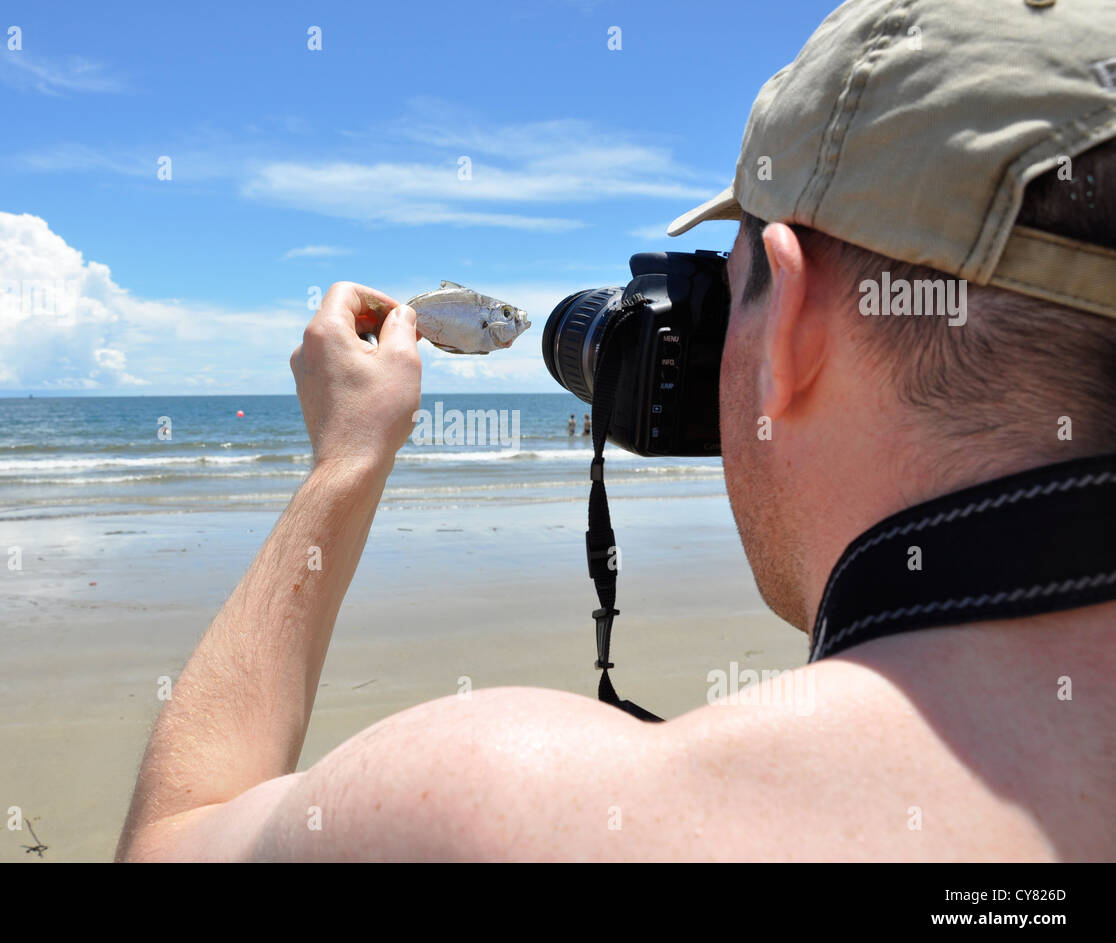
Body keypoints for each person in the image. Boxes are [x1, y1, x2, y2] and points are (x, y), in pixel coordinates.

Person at [116, 0, 1116, 861]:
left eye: (728, 297)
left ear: (796, 322)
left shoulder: (517, 808)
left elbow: (171, 838)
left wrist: (345, 460)